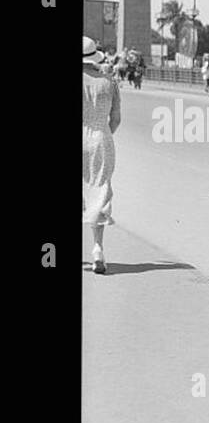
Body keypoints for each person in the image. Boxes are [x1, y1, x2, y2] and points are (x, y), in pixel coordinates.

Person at [82, 37, 121, 274]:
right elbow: (115, 119)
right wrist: (104, 134)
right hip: (101, 139)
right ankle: (97, 249)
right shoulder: (110, 82)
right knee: (99, 191)